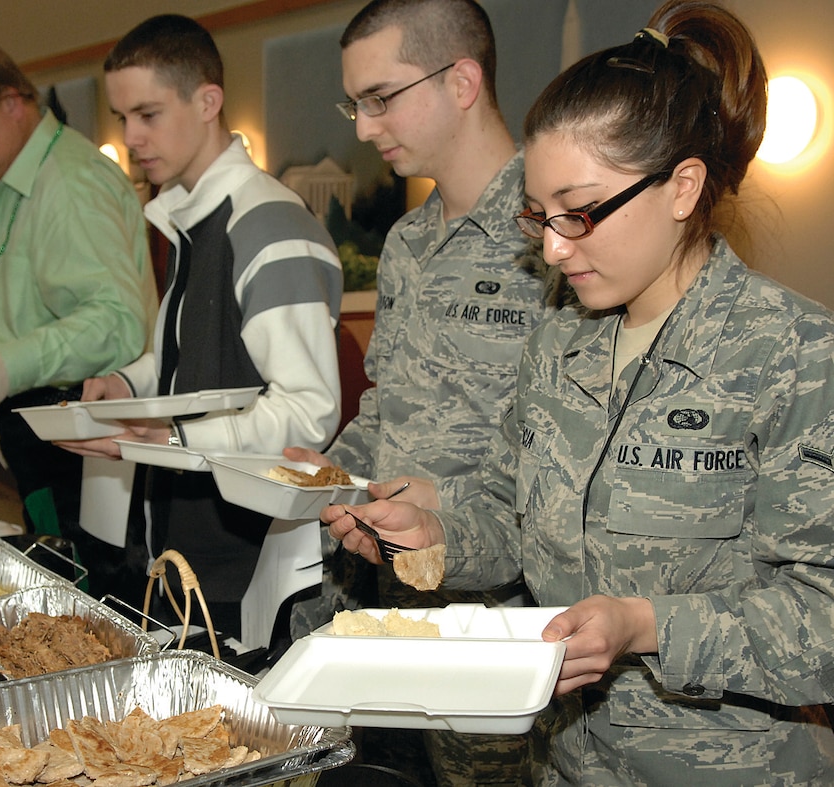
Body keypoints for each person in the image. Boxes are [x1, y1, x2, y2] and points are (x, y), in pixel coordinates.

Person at [326, 1, 834, 783]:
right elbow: (509, 510)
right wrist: (435, 535)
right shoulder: (562, 337)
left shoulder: (791, 353)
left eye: (582, 213)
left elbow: (823, 617)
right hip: (565, 762)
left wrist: (647, 625)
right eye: (540, 216)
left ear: (682, 187)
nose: (556, 249)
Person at [286, 1, 566, 782]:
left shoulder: (552, 237)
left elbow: (571, 443)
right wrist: (322, 470)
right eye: (356, 105)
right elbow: (389, 402)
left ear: (463, 80)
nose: (366, 127)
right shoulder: (408, 242)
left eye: (381, 97)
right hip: (389, 596)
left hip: (500, 616)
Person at [55, 15, 343, 640]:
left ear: (207, 101)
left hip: (245, 558)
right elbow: (185, 358)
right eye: (121, 117)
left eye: (148, 114)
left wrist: (171, 438)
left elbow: (309, 412)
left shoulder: (267, 222)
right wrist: (125, 386)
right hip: (185, 544)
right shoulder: (191, 216)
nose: (131, 136)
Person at [0, 38, 159, 585]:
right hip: (43, 427)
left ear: (12, 102)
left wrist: (6, 364)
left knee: (99, 595)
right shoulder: (8, 178)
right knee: (57, 578)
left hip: (82, 428)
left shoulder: (69, 181)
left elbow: (117, 324)